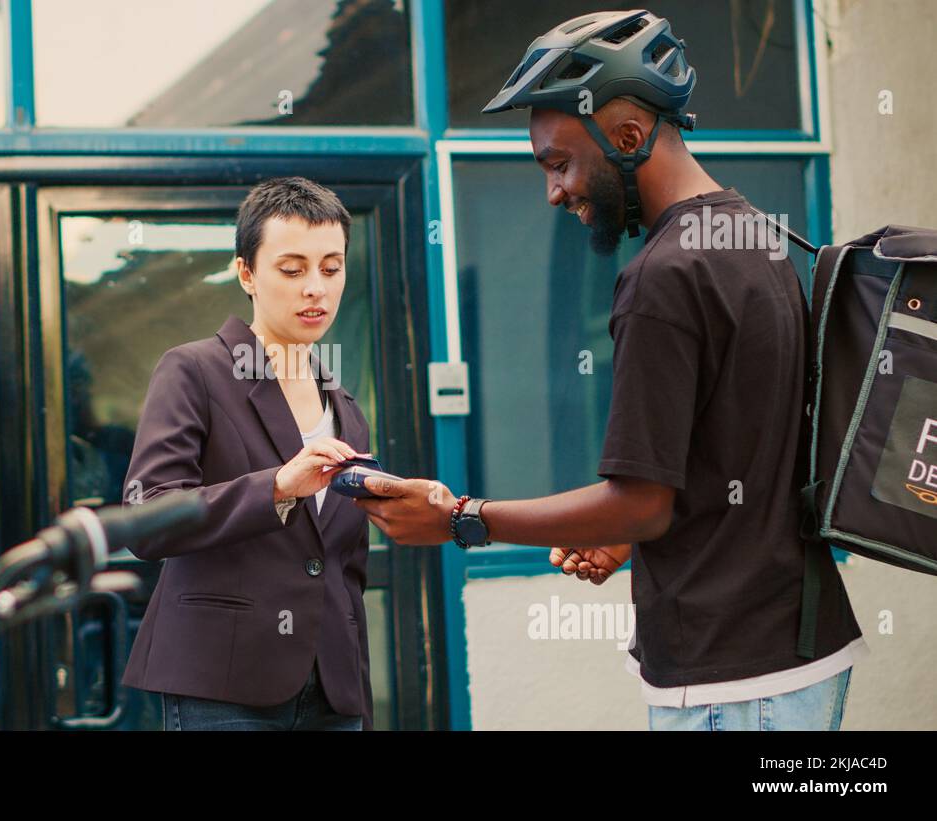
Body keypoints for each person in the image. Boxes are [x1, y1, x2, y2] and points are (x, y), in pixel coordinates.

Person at [356, 10, 864, 731]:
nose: (554, 192)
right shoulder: (760, 238)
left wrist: (461, 520)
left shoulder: (663, 274)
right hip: (796, 654)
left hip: (731, 679)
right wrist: (633, 527)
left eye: (558, 163)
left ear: (627, 137)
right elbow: (737, 455)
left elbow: (642, 502)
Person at [121, 177, 375, 730]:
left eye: (331, 269)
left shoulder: (348, 408)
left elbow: (345, 570)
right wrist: (278, 488)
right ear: (246, 274)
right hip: (223, 682)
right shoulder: (193, 371)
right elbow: (147, 520)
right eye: (293, 269)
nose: (316, 288)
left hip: (333, 691)